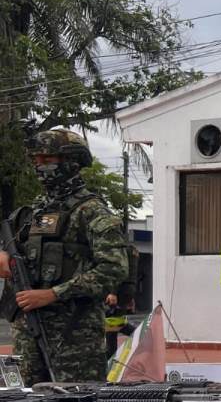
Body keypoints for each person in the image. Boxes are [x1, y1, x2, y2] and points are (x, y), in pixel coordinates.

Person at [0, 130, 128, 383]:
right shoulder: (33, 210)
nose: (39, 167)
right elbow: (14, 248)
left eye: (47, 160)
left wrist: (52, 294)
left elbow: (114, 269)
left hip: (73, 338)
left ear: (71, 162)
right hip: (28, 333)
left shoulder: (91, 211)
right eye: (36, 161)